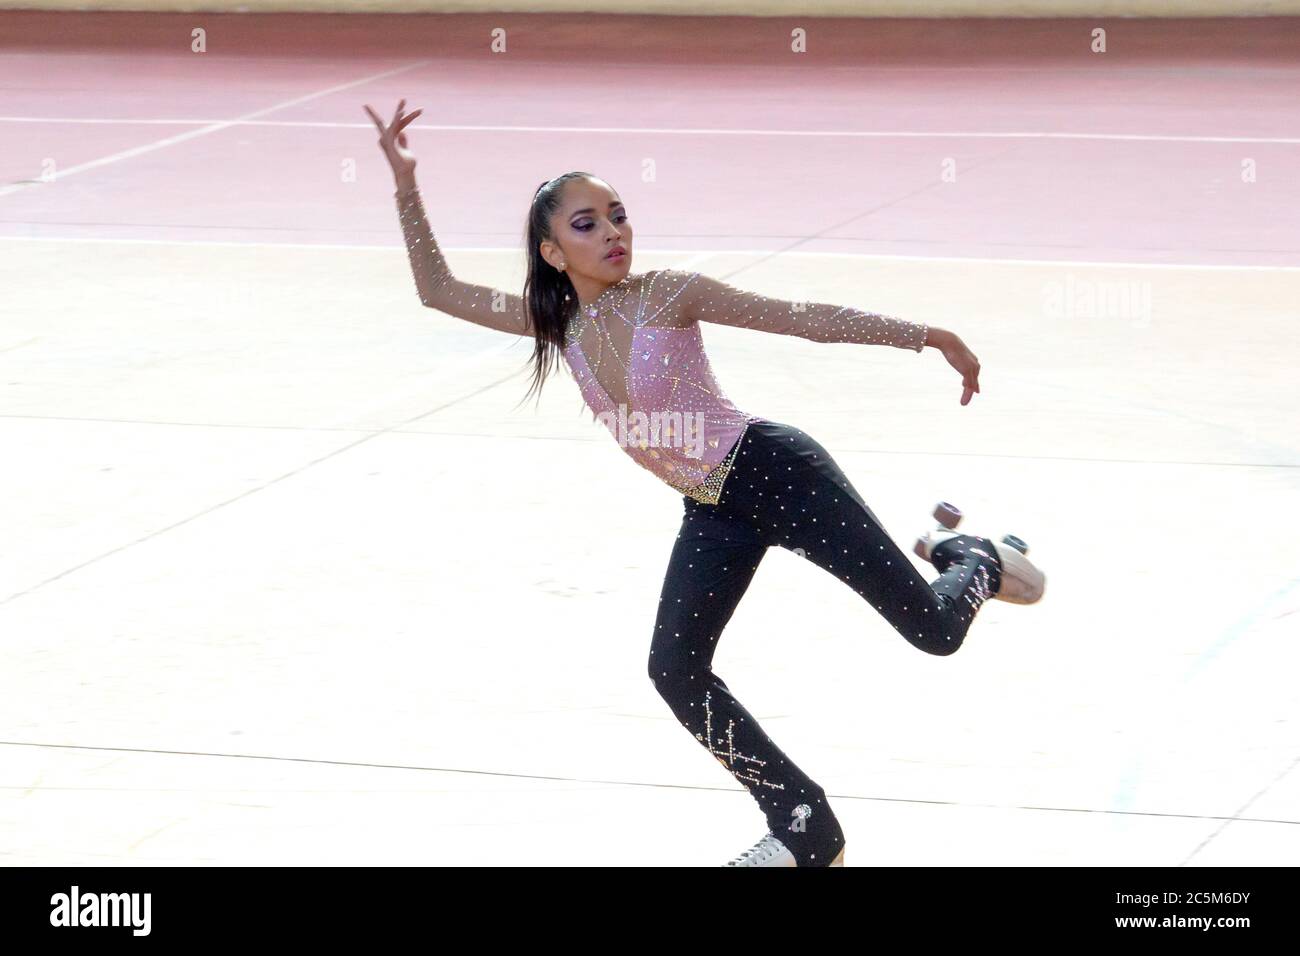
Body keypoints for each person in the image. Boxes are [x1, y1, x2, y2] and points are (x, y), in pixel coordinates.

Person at [365, 100, 1045, 867]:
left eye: (618, 214)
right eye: (586, 223)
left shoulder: (669, 293)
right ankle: (802, 823)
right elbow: (438, 289)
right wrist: (404, 185)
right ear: (553, 252)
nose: (613, 231)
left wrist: (923, 335)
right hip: (714, 508)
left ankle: (977, 556)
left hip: (778, 475)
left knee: (934, 631)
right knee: (675, 669)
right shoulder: (557, 324)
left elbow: (799, 318)